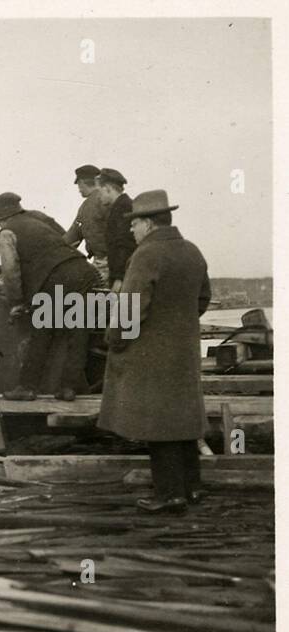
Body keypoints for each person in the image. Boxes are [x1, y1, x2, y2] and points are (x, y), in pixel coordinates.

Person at [97, 190, 211, 514]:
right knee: (184, 419)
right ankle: (192, 489)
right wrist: (178, 326)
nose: (131, 231)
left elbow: (129, 312)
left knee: (157, 423)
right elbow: (204, 298)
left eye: (134, 224)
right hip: (185, 352)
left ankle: (169, 495)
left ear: (147, 223)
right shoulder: (192, 251)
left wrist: (115, 340)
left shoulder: (146, 255)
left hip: (151, 354)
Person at [0, 191, 100, 401]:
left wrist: (17, 302)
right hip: (83, 270)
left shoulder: (6, 232)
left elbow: (11, 270)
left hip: (55, 278)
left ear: (2, 219)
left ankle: (27, 387)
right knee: (78, 333)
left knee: (41, 332)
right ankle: (68, 388)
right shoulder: (38, 219)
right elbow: (63, 236)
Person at [64, 164, 111, 285]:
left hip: (104, 263)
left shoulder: (88, 206)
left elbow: (72, 237)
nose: (79, 189)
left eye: (79, 185)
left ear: (82, 183)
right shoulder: (109, 198)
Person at [95, 168, 135, 292]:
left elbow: (124, 245)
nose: (98, 196)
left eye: (99, 191)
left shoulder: (123, 208)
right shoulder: (121, 206)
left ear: (107, 188)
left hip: (124, 278)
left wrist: (119, 278)